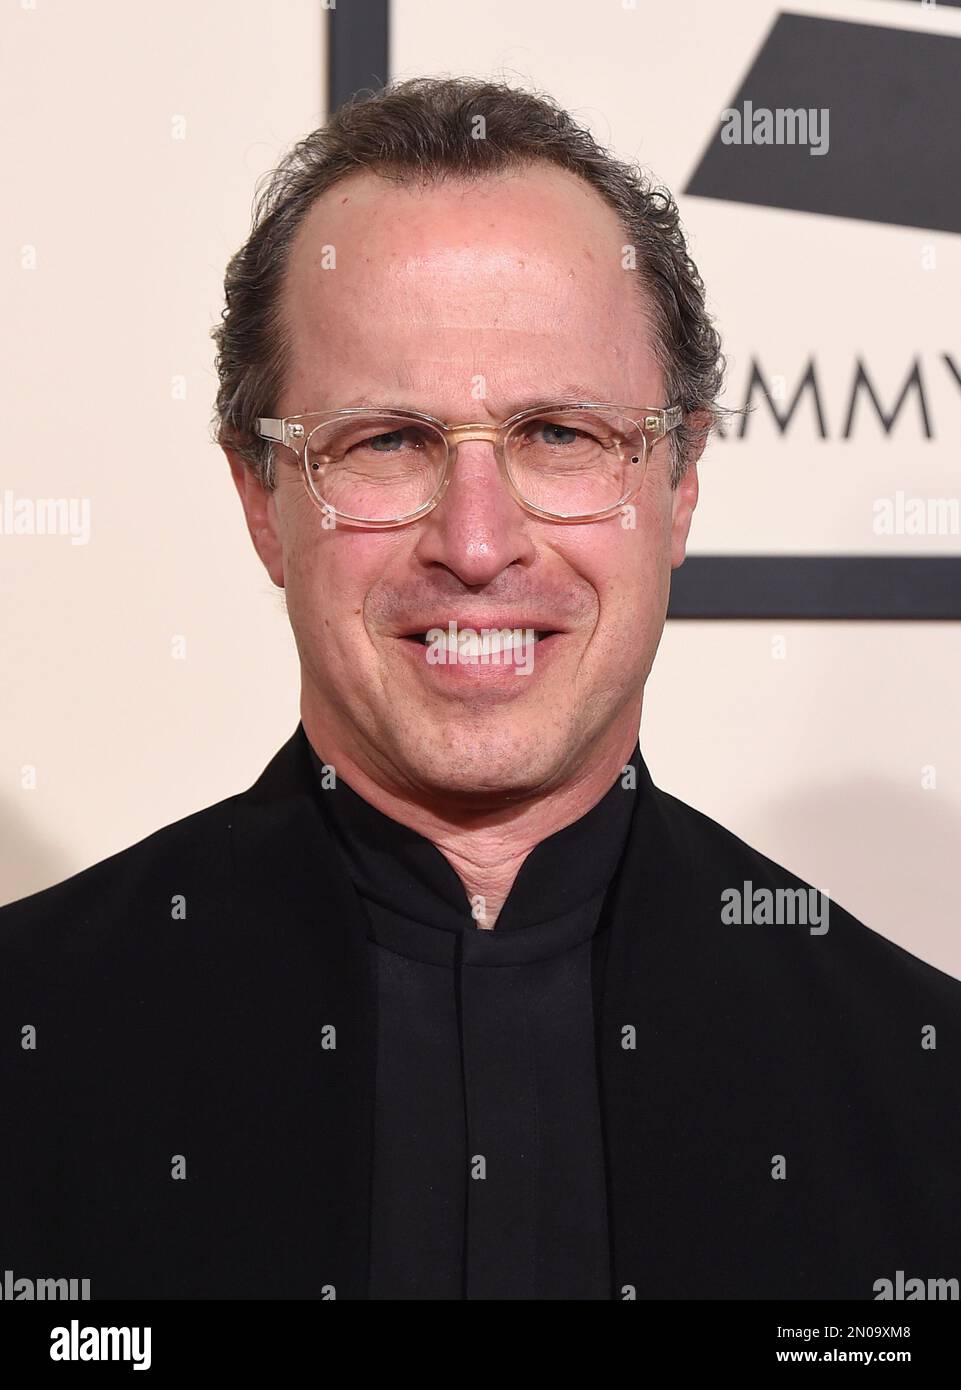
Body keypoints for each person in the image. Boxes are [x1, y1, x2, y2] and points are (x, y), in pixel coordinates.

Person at [2, 77, 959, 1302]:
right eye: (385, 439)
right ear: (261, 501)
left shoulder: (924, 1095)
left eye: (561, 433)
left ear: (679, 485)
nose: (474, 539)